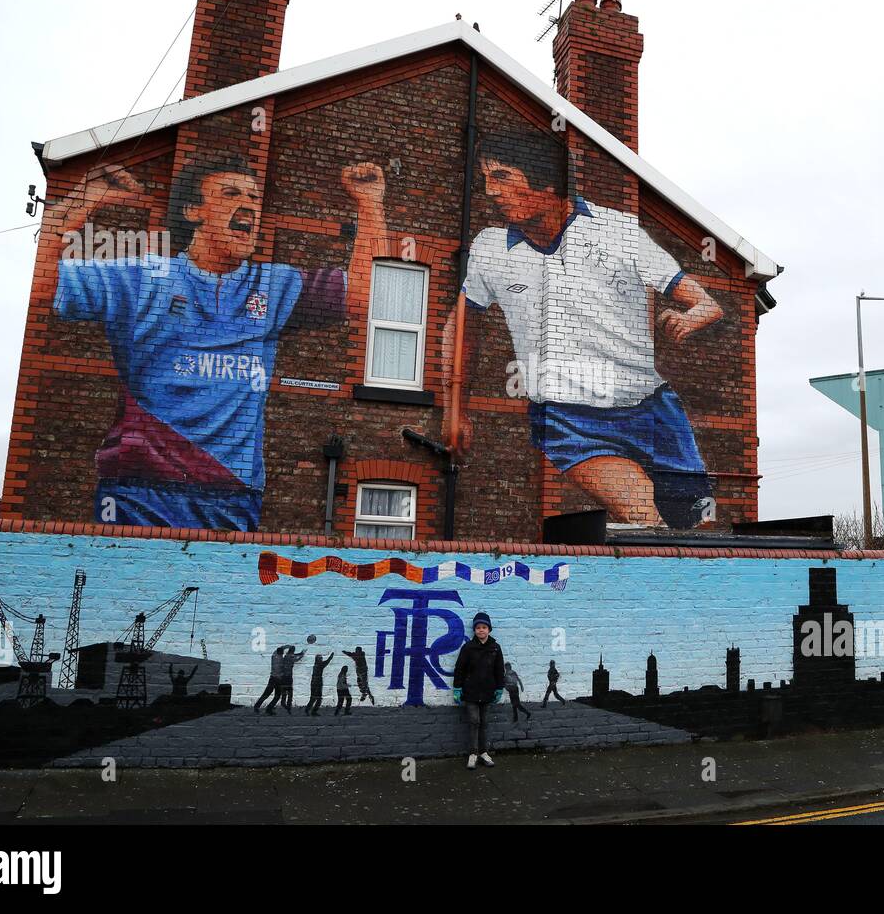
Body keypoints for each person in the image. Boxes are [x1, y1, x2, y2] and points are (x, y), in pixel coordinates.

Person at [50, 156, 387, 530]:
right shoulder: (144, 277)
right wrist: (86, 200)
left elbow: (363, 296)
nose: (249, 205)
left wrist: (369, 204)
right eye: (230, 194)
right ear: (193, 211)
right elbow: (47, 284)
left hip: (232, 494)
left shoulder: (275, 285)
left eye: (254, 198)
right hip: (139, 489)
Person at [442, 132, 723, 529]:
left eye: (502, 177)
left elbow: (705, 303)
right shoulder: (489, 249)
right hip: (568, 421)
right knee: (646, 519)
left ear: (547, 183)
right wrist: (455, 409)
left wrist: (692, 317)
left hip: (653, 412)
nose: (491, 191)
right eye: (486, 178)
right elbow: (461, 326)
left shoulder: (619, 231)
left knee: (697, 531)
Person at [452, 612, 505, 769]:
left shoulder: (495, 648)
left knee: (484, 723)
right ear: (474, 630)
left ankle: (483, 752)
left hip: (488, 692)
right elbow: (459, 669)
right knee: (474, 722)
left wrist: (499, 688)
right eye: (478, 628)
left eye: (484, 627)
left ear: (489, 629)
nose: (481, 630)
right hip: (471, 692)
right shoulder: (468, 648)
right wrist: (457, 688)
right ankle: (473, 754)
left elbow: (499, 670)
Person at [253, 646, 286, 712]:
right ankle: (268, 709)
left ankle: (258, 707)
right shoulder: (280, 660)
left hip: (272, 678)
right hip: (277, 679)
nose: (283, 653)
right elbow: (279, 671)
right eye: (282, 653)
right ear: (280, 653)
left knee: (267, 694)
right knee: (276, 696)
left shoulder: (274, 655)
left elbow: (281, 648)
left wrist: (287, 646)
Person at [279, 646, 308, 711]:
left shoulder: (286, 656)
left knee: (284, 691)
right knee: (290, 692)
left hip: (283, 677)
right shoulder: (290, 657)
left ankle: (283, 702)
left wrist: (300, 653)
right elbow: (296, 659)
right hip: (288, 677)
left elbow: (294, 655)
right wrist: (302, 655)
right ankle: (288, 706)